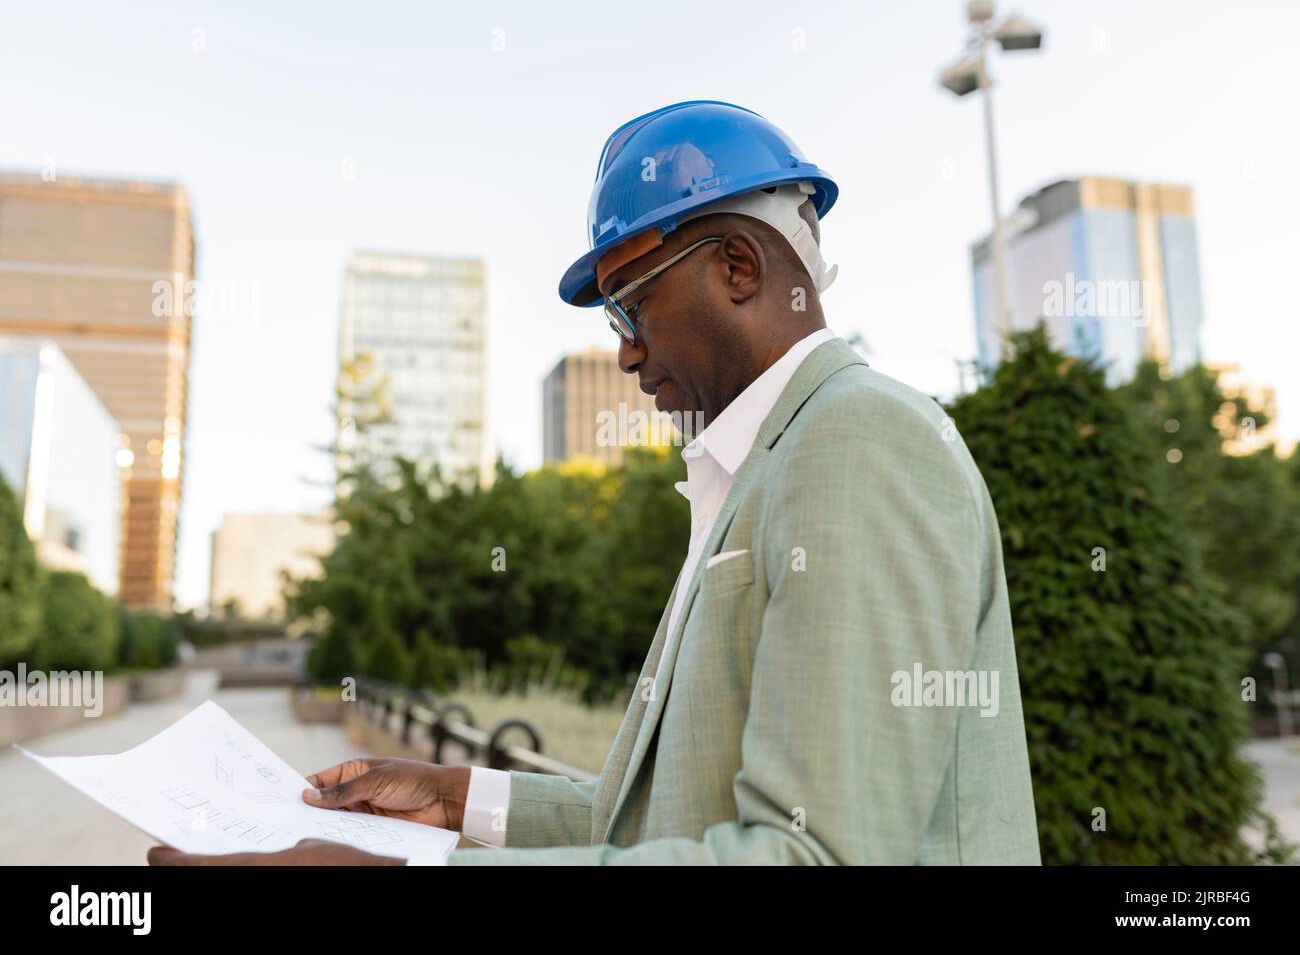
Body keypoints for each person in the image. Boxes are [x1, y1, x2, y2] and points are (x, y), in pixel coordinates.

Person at [149, 100, 1040, 867]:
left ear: (739, 265)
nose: (622, 351)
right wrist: (453, 797)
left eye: (631, 303)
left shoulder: (858, 440)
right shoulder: (762, 466)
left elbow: (809, 853)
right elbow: (652, 821)